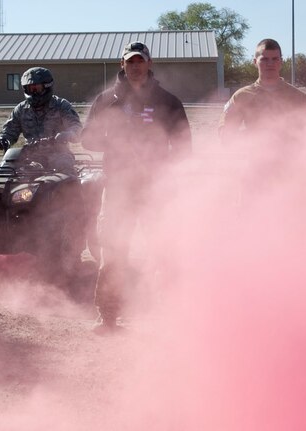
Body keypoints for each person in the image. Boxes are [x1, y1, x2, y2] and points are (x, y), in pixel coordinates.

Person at [82, 41, 191, 333]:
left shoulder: (168, 101)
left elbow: (183, 146)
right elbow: (87, 139)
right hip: (118, 188)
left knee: (163, 250)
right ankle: (108, 317)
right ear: (122, 64)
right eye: (130, 61)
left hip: (155, 189)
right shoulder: (107, 100)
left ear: (149, 63)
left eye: (140, 61)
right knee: (114, 251)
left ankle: (171, 316)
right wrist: (115, 140)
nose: (135, 66)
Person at [219, 38, 306, 150]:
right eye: (264, 59)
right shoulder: (241, 96)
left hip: (292, 163)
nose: (270, 63)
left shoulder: (299, 98)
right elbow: (225, 134)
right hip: (254, 163)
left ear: (281, 62)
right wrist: (256, 137)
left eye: (275, 59)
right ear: (255, 62)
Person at [0, 66, 81, 174]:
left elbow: (76, 128)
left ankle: (72, 191)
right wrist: (0, 140)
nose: (34, 92)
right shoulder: (21, 109)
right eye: (30, 89)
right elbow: (9, 132)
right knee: (4, 169)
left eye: (37, 88)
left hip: (58, 154)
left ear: (47, 87)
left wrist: (68, 134)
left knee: (64, 169)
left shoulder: (61, 106)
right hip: (28, 155)